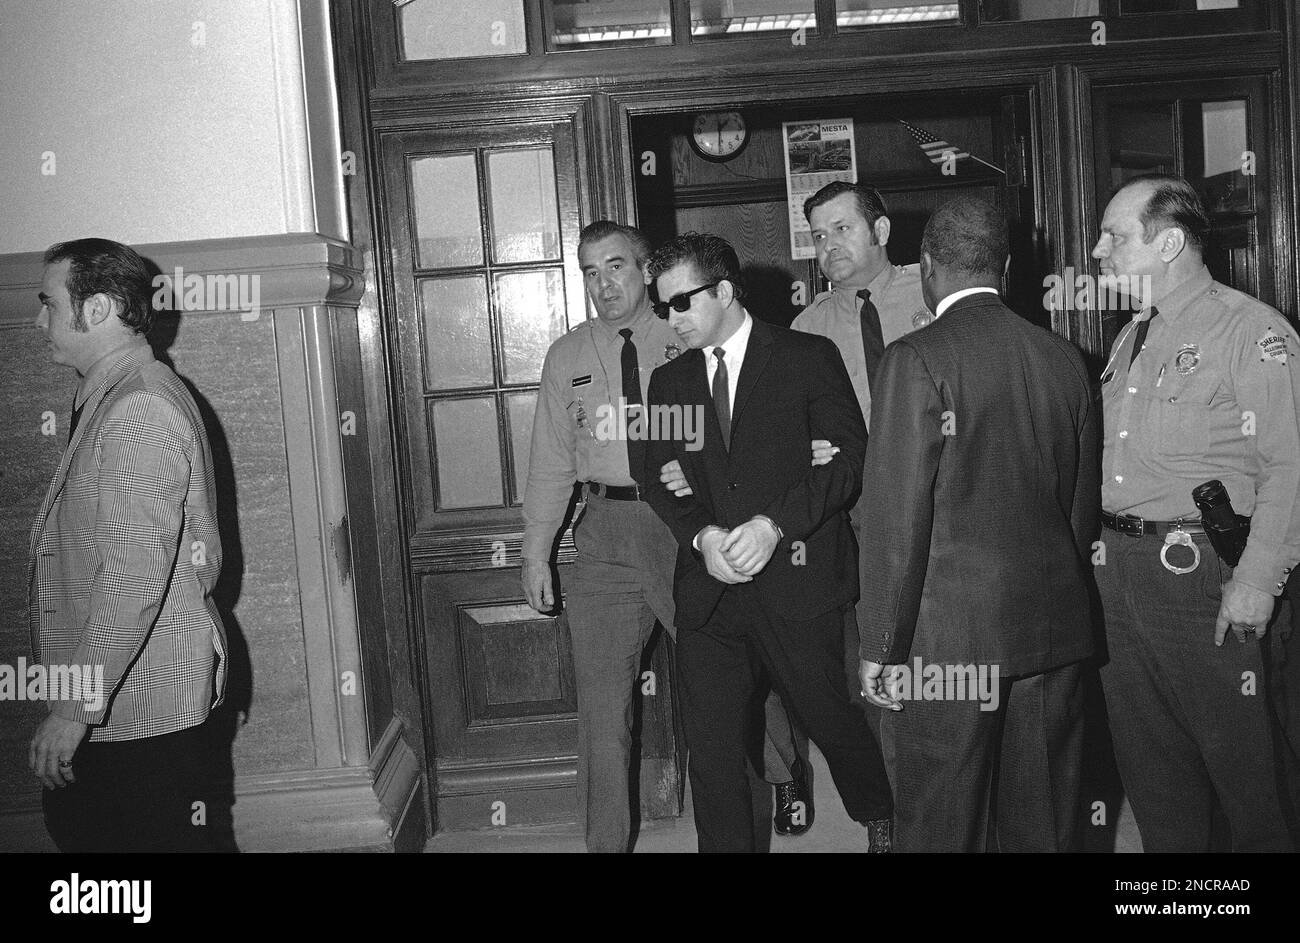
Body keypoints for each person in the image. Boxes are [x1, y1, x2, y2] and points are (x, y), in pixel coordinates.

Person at [857, 196, 1099, 852]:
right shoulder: (1066, 360)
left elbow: (894, 523)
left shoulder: (914, 360)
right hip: (1052, 630)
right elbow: (1080, 516)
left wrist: (880, 643)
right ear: (1009, 267)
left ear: (929, 266)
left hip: (948, 644)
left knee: (940, 821)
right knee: (1046, 825)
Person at [642, 232, 893, 852]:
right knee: (715, 751)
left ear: (725, 291)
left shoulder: (807, 357)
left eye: (682, 303)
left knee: (832, 720)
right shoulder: (670, 383)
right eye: (663, 306)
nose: (671, 320)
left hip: (798, 582)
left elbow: (846, 463)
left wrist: (772, 526)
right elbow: (655, 472)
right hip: (710, 593)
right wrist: (701, 535)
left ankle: (879, 814)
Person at [1090, 174, 1300, 851]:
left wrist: (1255, 581)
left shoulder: (1253, 331)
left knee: (1249, 775)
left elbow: (1291, 465)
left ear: (1170, 241)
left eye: (1115, 237)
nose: (1097, 251)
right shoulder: (1129, 339)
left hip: (1206, 571)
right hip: (1122, 574)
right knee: (1152, 768)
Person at [28, 238, 228, 852]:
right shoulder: (117, 391)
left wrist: (73, 709)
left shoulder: (139, 406)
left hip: (139, 702)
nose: (40, 321)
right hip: (127, 696)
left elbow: (129, 581)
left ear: (99, 309)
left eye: (49, 303)